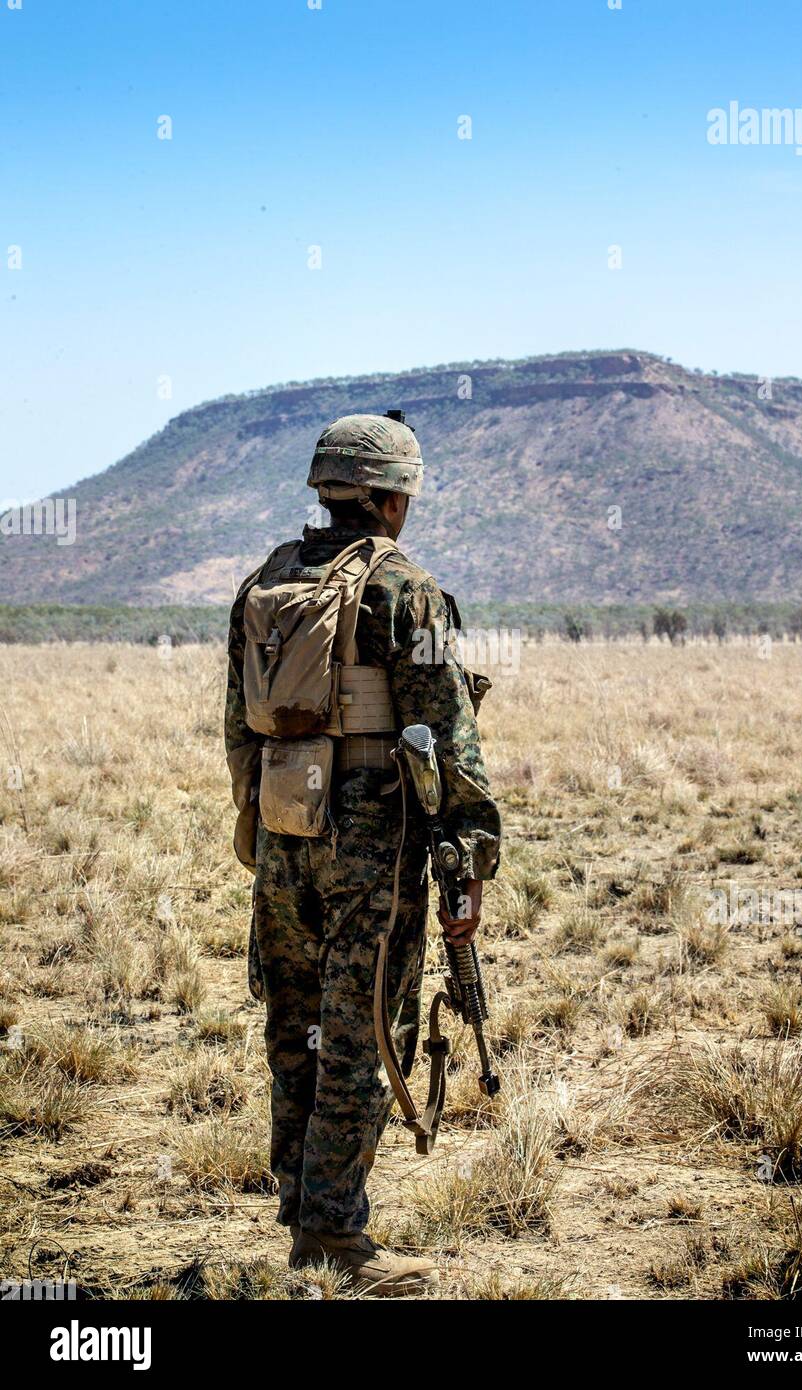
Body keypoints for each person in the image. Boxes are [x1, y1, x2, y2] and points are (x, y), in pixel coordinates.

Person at [224, 410, 501, 1296]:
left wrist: (259, 830)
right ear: (390, 498)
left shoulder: (265, 583)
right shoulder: (403, 592)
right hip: (370, 841)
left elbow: (240, 725)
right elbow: (448, 732)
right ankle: (333, 1237)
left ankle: (304, 1210)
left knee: (295, 1020)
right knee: (366, 1023)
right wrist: (469, 852)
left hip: (282, 830)